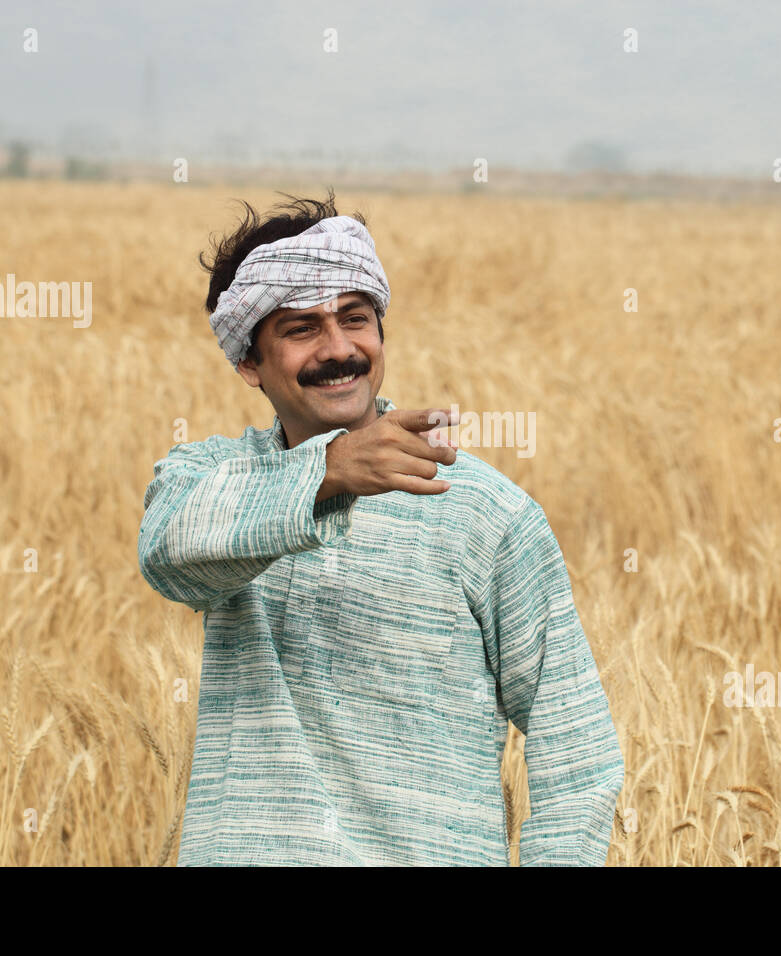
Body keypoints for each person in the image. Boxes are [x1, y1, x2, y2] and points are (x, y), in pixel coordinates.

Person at [137, 189, 625, 865]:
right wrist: (329, 473)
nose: (340, 349)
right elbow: (168, 552)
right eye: (301, 328)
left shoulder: (484, 511)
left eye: (355, 319)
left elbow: (577, 749)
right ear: (249, 362)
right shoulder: (211, 481)